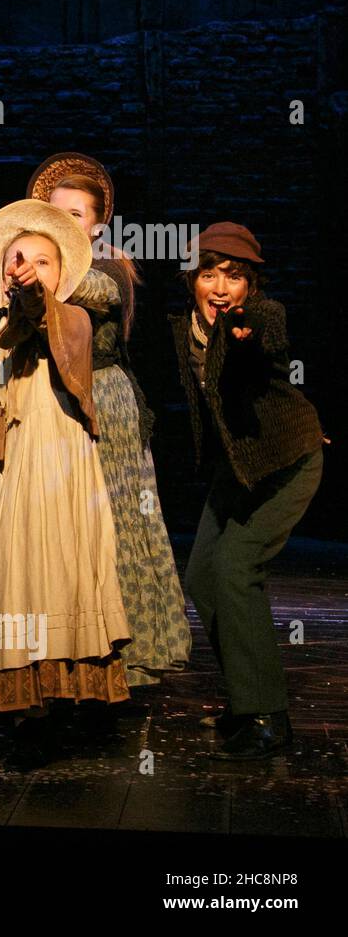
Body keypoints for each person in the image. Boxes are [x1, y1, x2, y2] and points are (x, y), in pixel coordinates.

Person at [0, 200, 131, 770]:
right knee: (15, 582)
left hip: (61, 474)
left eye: (41, 262)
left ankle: (63, 708)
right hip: (10, 480)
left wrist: (33, 293)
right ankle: (25, 709)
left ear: (61, 274)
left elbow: (42, 317)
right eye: (17, 260)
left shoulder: (75, 321)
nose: (27, 268)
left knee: (61, 576)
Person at [28, 153, 190, 688]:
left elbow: (89, 294)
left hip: (104, 401)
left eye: (78, 215)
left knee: (118, 521)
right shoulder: (36, 265)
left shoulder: (110, 267)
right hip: (49, 405)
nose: (66, 222)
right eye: (57, 213)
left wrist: (37, 273)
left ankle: (135, 650)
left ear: (98, 223)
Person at [171, 223, 324, 759]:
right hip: (238, 470)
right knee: (202, 579)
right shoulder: (184, 328)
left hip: (286, 463)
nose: (219, 288)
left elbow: (268, 341)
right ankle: (244, 698)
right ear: (192, 280)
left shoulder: (258, 315)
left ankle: (269, 718)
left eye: (233, 277)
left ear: (250, 284)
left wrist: (245, 335)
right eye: (208, 274)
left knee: (235, 570)